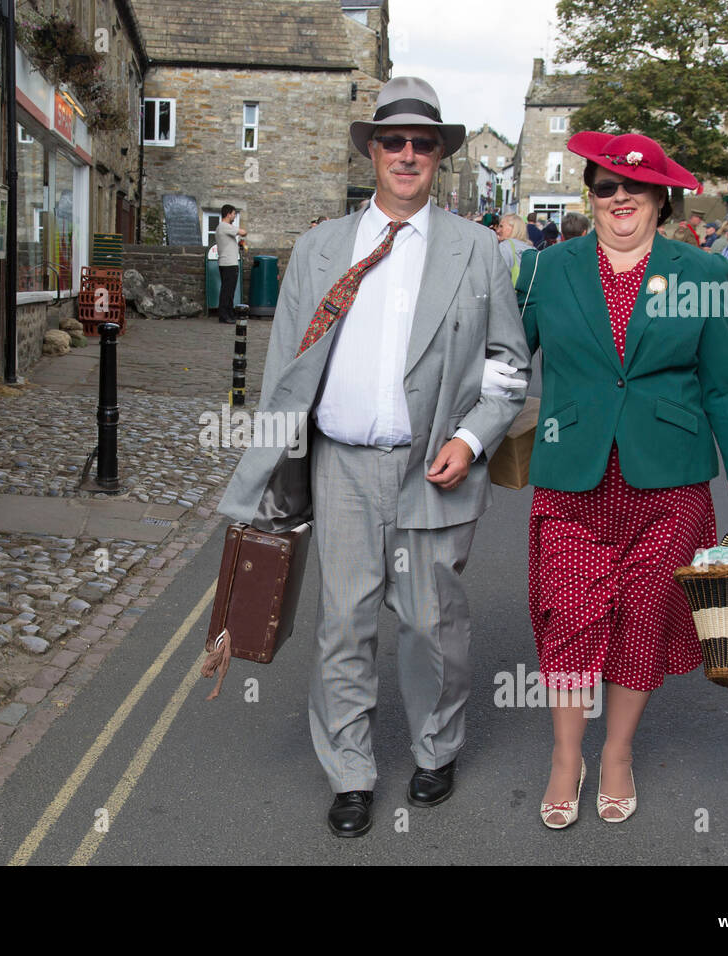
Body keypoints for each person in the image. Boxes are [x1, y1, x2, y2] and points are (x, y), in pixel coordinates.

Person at [217, 76, 531, 838]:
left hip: (435, 466)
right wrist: (273, 464)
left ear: (439, 157)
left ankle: (435, 748)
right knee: (344, 623)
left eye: (424, 143)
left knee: (431, 623)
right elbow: (285, 370)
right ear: (373, 149)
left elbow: (509, 368)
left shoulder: (479, 250)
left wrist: (471, 438)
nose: (408, 154)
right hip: (341, 464)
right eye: (395, 140)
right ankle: (351, 770)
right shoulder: (322, 247)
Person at [515, 131, 728, 829]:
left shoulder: (701, 276)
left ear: (661, 198)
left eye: (636, 187)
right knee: (569, 620)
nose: (621, 198)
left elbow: (727, 389)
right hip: (572, 476)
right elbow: (504, 360)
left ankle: (619, 754)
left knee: (643, 620)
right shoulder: (546, 272)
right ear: (590, 196)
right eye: (606, 186)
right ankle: (567, 757)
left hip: (668, 483)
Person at [215, 205, 247, 325]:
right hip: (229, 263)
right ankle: (224, 315)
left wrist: (238, 245)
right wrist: (242, 233)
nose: (234, 216)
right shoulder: (224, 226)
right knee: (227, 291)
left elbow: (230, 243)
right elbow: (243, 232)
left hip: (227, 262)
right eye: (234, 214)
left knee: (229, 290)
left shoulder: (223, 228)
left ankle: (229, 313)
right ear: (228, 214)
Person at [496, 213, 534, 281]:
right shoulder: (531, 249)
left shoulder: (504, 247)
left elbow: (498, 278)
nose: (497, 230)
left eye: (501, 226)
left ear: (513, 228)